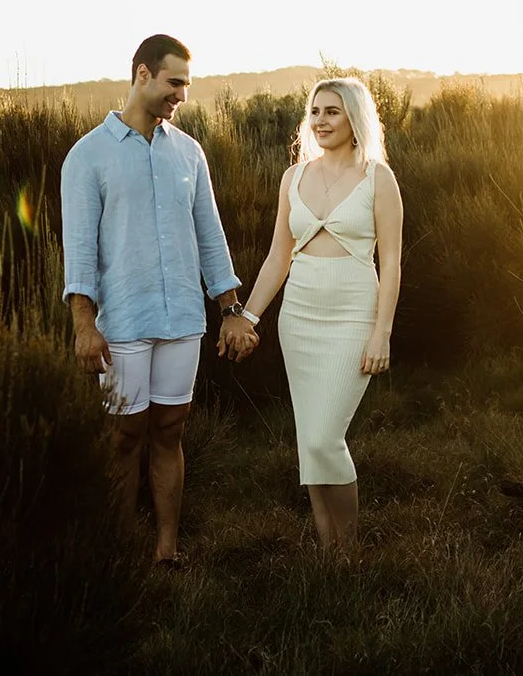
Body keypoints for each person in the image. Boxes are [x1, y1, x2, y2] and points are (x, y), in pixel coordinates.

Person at [60, 33, 260, 566]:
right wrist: (84, 326)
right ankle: (123, 553)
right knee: (124, 438)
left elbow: (210, 237)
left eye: (187, 85)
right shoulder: (87, 156)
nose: (182, 96)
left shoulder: (188, 152)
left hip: (183, 321)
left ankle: (166, 550)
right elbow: (79, 251)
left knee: (170, 432)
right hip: (123, 322)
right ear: (142, 74)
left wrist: (230, 311)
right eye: (175, 82)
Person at [240, 77, 404, 552]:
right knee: (310, 437)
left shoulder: (378, 178)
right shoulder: (293, 177)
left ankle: (349, 552)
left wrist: (382, 333)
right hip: (299, 318)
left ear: (355, 118)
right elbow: (278, 257)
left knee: (325, 438)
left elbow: (392, 262)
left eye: (332, 111)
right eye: (314, 111)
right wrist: (248, 317)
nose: (320, 121)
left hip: (353, 317)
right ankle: (328, 552)